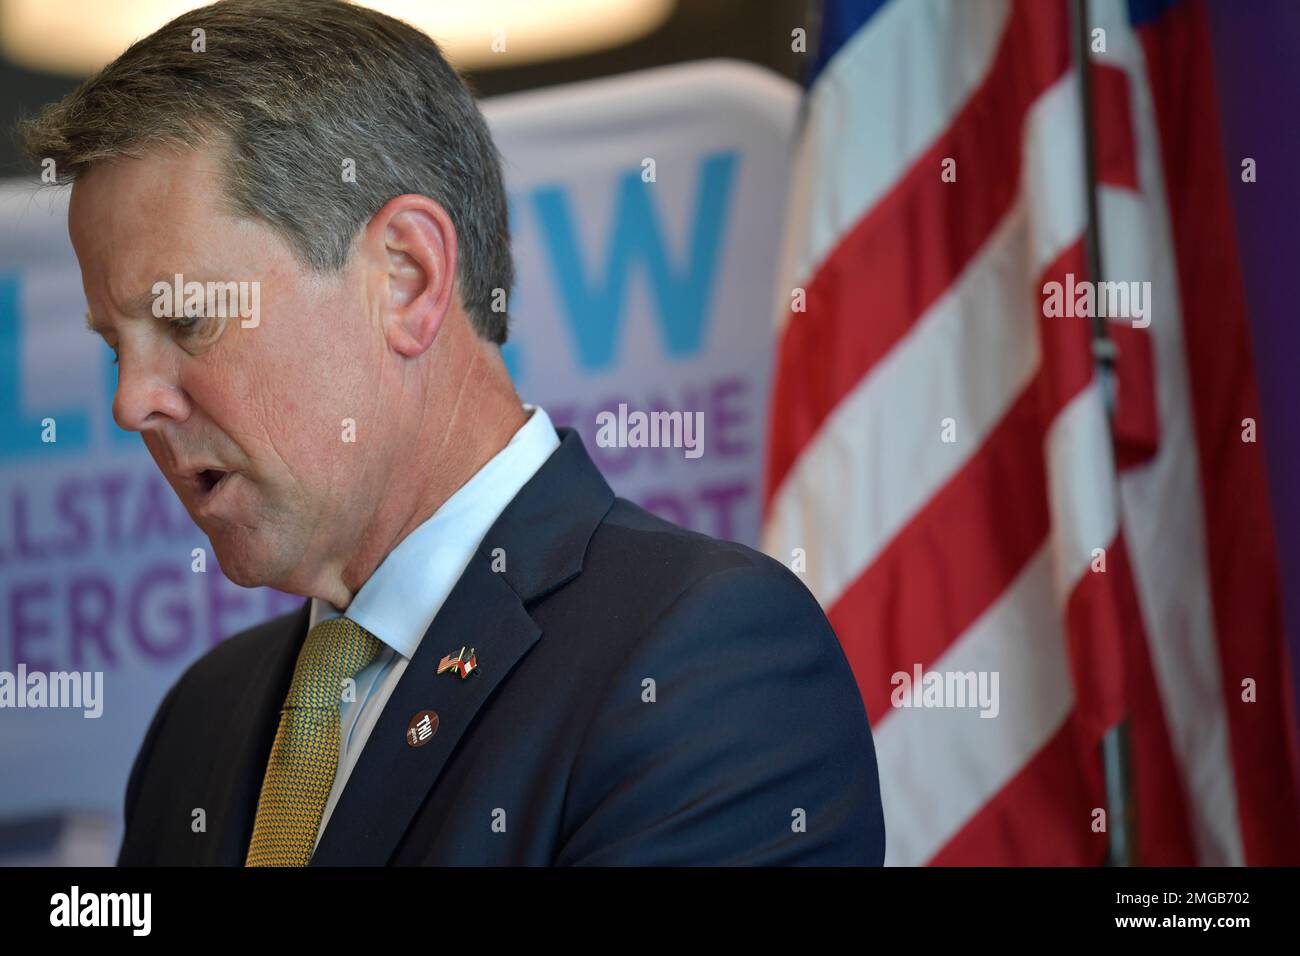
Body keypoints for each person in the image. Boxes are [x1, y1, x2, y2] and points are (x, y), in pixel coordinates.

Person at [19, 0, 886, 866]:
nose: (131, 402)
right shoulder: (201, 722)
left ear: (407, 277)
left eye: (187, 321)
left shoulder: (709, 660)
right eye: (114, 347)